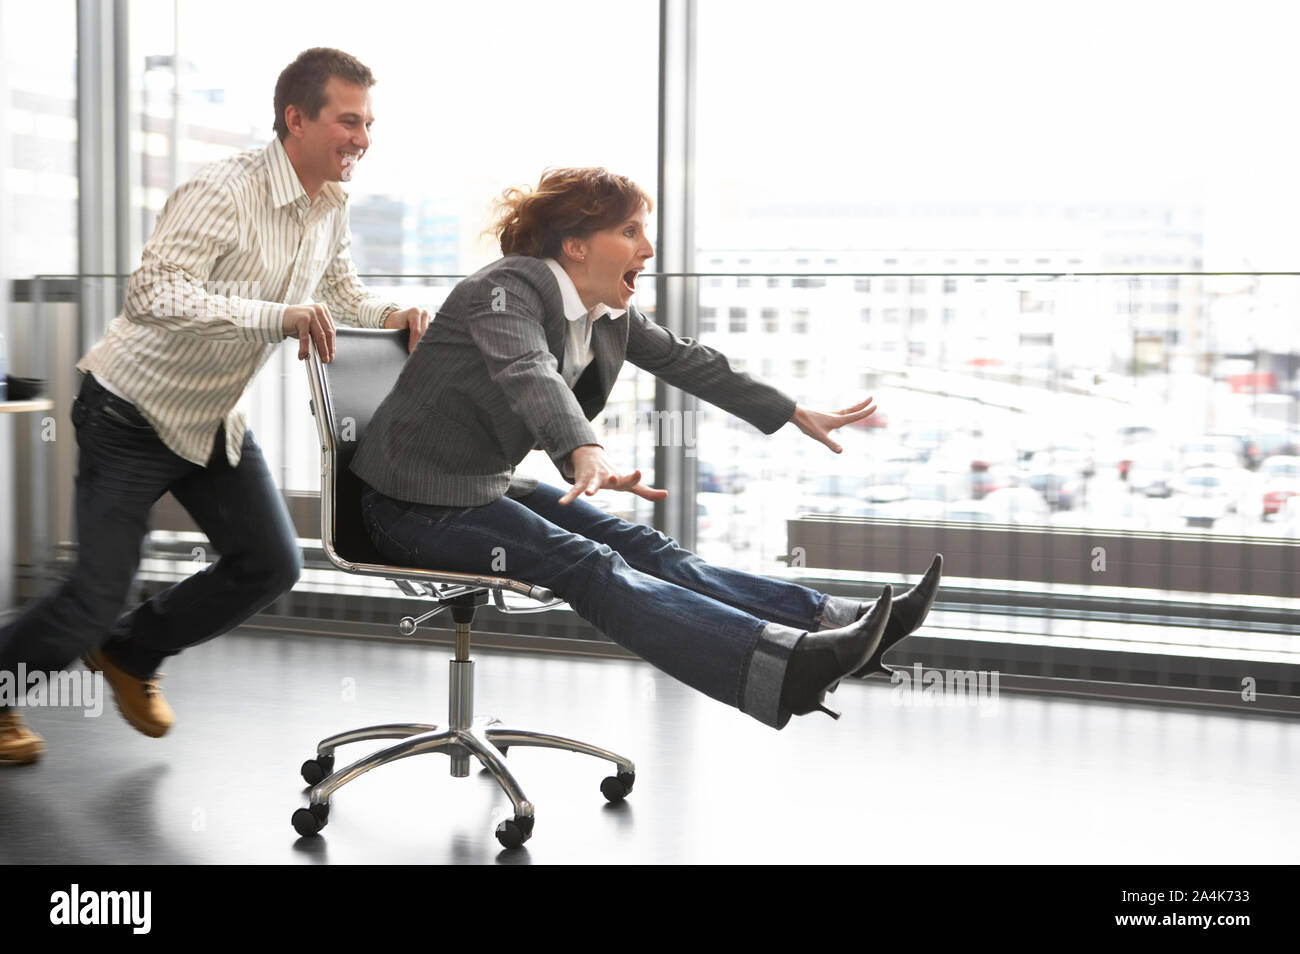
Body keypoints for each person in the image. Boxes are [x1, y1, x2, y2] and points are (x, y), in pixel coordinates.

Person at [351, 167, 942, 731]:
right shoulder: (502, 293)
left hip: (482, 486)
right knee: (589, 563)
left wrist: (789, 410)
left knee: (645, 546)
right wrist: (583, 448)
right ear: (577, 246)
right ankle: (784, 669)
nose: (649, 249)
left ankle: (842, 624)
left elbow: (686, 359)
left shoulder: (607, 315)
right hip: (410, 505)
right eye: (630, 231)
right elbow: (528, 371)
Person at [0, 48, 431, 764]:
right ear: (296, 119)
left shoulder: (330, 205)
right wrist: (278, 317)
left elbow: (340, 293)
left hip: (208, 419)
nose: (363, 139)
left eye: (368, 123)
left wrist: (393, 315)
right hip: (128, 415)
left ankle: (129, 653)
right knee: (94, 592)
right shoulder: (224, 192)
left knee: (270, 562)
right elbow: (153, 295)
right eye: (348, 121)